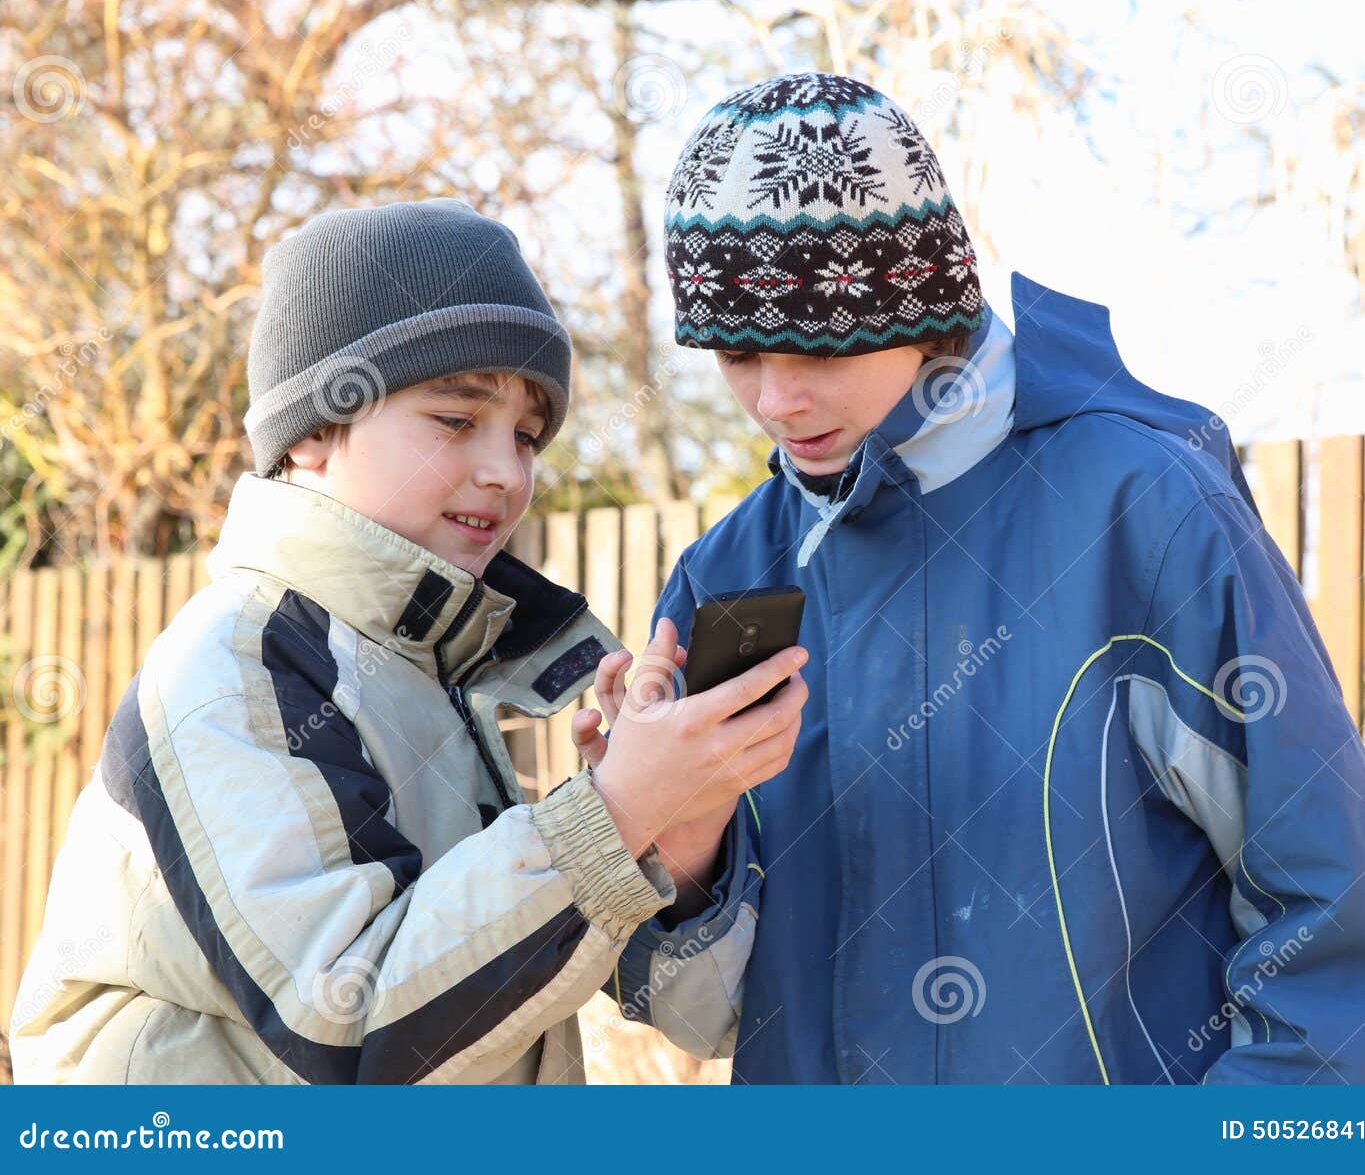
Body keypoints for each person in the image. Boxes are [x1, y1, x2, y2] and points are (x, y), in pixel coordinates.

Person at [578, 73, 1365, 1084]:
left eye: (812, 343)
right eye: (734, 353)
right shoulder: (729, 576)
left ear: (919, 299)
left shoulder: (1142, 510)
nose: (775, 399)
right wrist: (678, 856)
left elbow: (1343, 948)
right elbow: (711, 1018)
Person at [9, 199, 807, 1084]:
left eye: (528, 435)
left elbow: (711, 1022)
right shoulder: (239, 666)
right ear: (313, 431)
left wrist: (680, 819)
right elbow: (351, 1027)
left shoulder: (436, 673)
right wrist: (611, 813)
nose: (506, 470)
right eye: (455, 421)